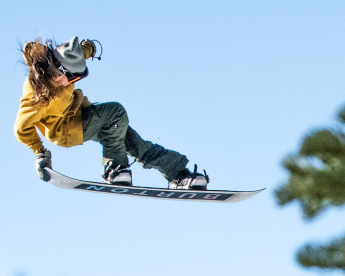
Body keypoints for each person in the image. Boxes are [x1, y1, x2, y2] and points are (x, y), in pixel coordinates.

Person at [14, 36, 209, 190]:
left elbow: (82, 51)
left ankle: (178, 175)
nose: (69, 83)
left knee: (133, 142)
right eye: (68, 79)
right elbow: (21, 128)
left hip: (82, 115)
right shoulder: (36, 93)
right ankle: (114, 169)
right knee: (115, 112)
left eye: (75, 80)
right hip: (65, 130)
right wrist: (40, 153)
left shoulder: (66, 59)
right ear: (56, 70)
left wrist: (90, 47)